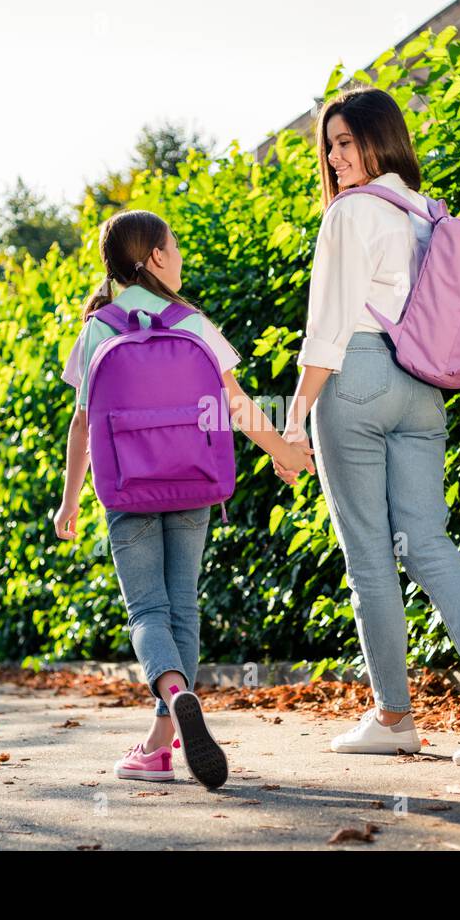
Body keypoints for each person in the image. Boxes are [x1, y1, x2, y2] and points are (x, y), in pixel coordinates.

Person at [276, 86, 460, 766]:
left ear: (380, 137)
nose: (334, 159)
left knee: (369, 558)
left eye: (345, 142)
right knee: (426, 541)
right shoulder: (427, 212)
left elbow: (327, 330)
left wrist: (294, 419)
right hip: (424, 388)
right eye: (328, 146)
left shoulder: (349, 214)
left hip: (358, 378)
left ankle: (393, 715)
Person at [54, 209, 315, 788]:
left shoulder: (98, 327)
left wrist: (68, 501)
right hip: (193, 481)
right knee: (183, 607)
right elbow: (238, 404)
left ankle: (170, 707)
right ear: (153, 260)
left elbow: (81, 425)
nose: (181, 257)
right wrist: (286, 453)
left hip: (128, 489)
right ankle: (162, 737)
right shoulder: (193, 323)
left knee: (148, 612)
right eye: (173, 248)